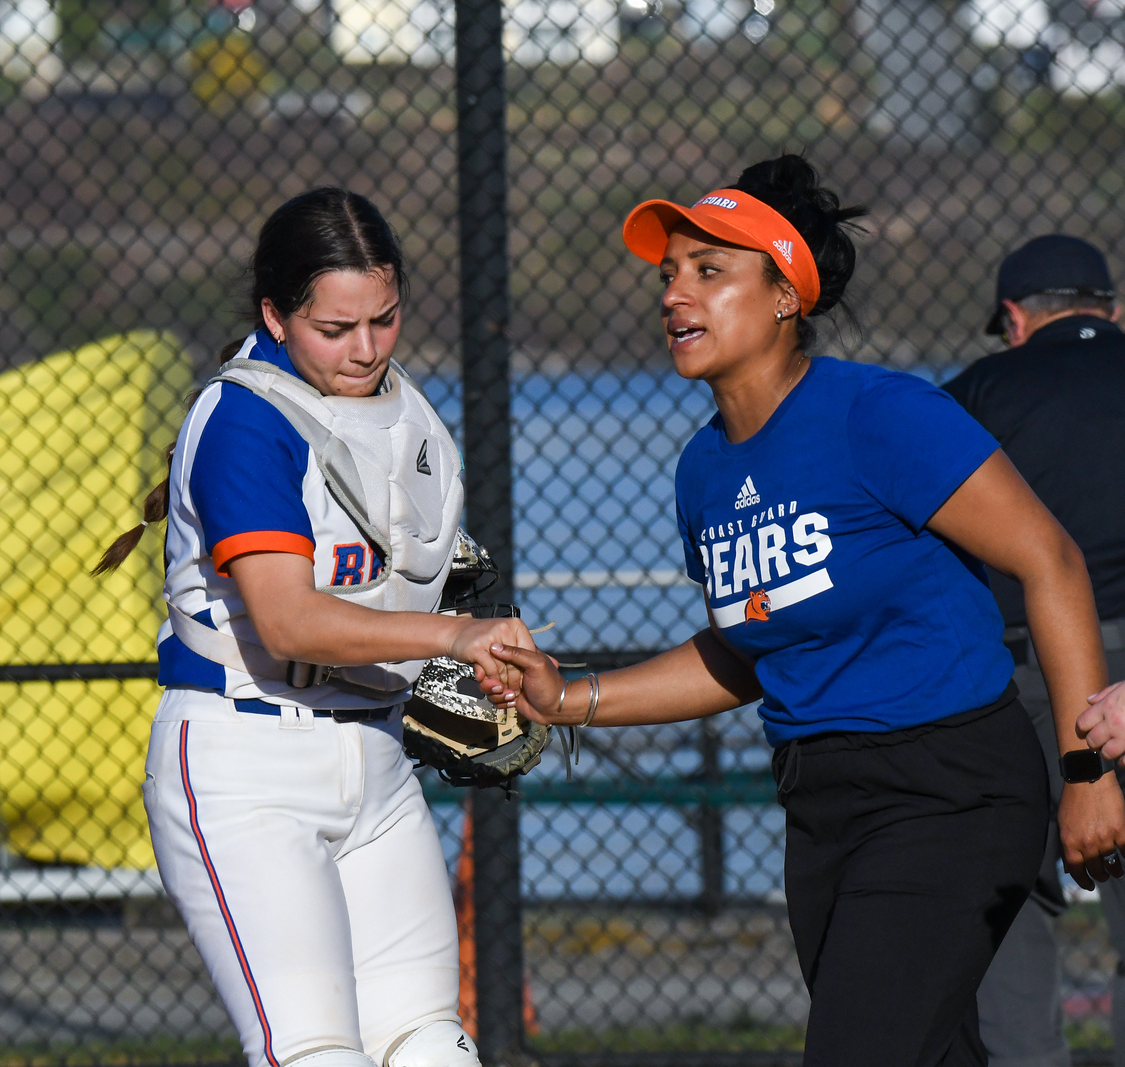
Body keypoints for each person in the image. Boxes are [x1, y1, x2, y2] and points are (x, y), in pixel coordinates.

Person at [481, 155, 1125, 1066]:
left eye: (710, 271)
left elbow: (1050, 560)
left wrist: (1088, 769)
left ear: (787, 293)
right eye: (669, 274)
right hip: (821, 805)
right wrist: (569, 695)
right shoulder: (703, 470)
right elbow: (747, 651)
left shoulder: (881, 413)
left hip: (951, 788)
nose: (676, 295)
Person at [94, 187, 533, 1067]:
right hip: (244, 760)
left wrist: (450, 622)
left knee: (431, 1047)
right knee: (313, 1053)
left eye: (385, 318)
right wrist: (449, 640)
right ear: (276, 315)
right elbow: (289, 620)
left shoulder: (403, 411)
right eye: (336, 328)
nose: (366, 349)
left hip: (373, 751)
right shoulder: (244, 420)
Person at [944, 234, 1125, 1067]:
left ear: (1015, 319)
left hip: (1017, 670)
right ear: (1112, 310)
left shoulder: (977, 390)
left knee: (1010, 903)